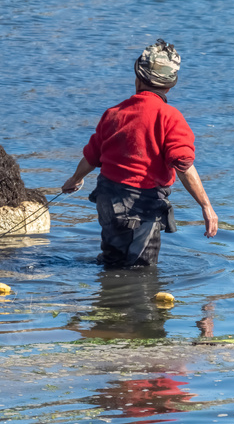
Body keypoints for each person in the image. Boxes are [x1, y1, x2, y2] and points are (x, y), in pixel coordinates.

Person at [62, 39, 218, 267]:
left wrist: (74, 180)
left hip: (106, 199)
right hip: (140, 206)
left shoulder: (113, 113)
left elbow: (92, 157)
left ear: (137, 80)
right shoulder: (170, 117)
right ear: (169, 86)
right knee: (140, 273)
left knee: (112, 262)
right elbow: (182, 164)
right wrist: (206, 206)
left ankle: (105, 298)